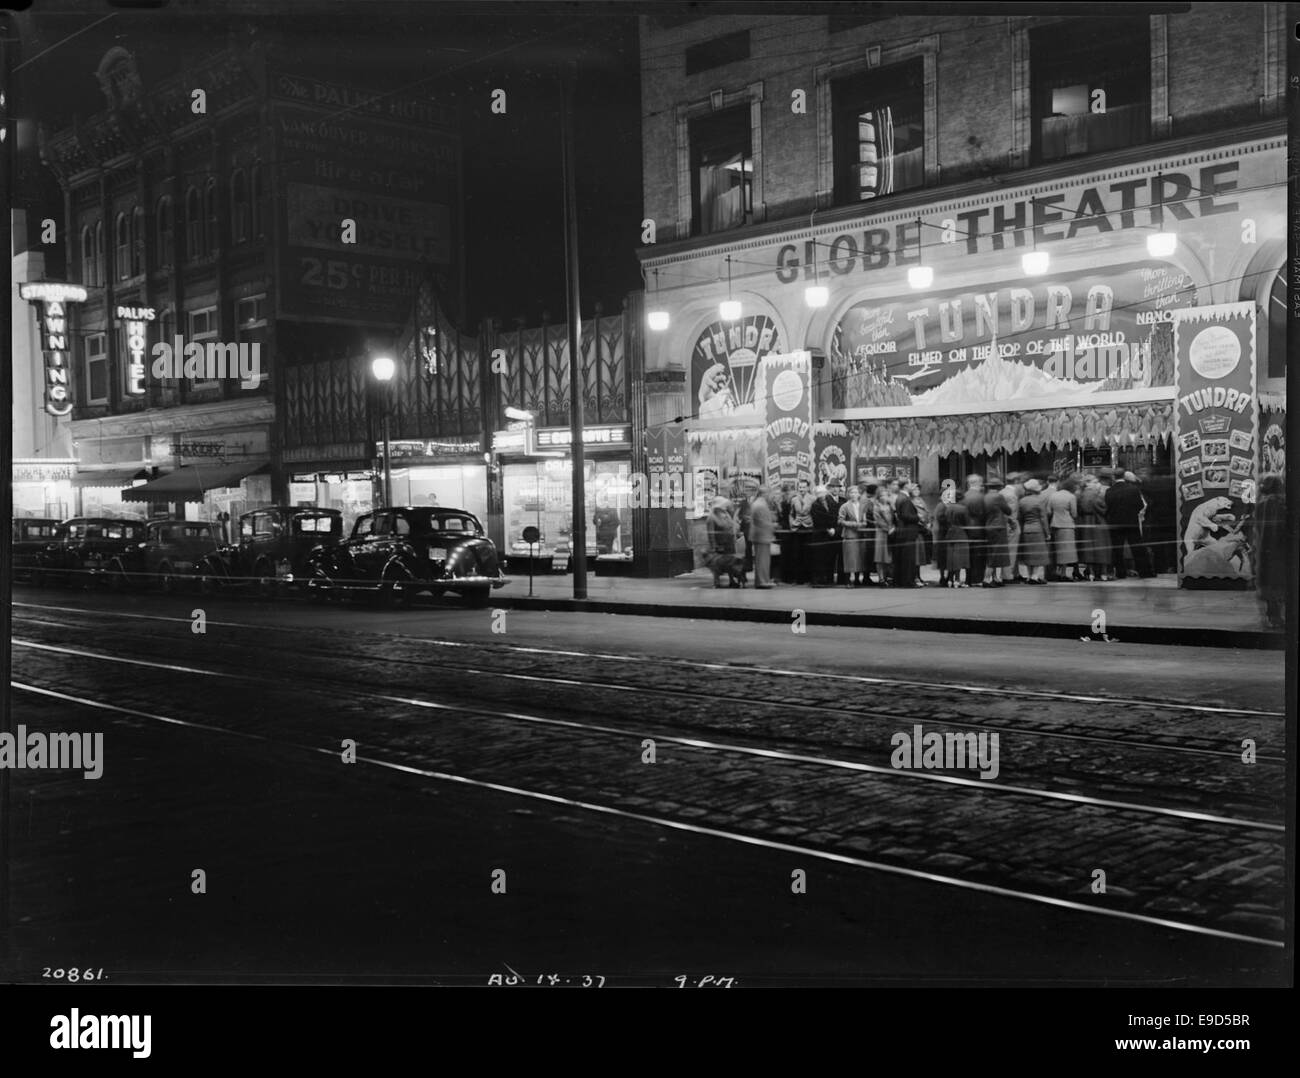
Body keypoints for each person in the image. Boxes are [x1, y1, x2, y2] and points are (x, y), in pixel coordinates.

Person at [1251, 473, 1286, 629]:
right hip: (1279, 549)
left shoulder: (1260, 505)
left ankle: (1272, 615)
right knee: (1278, 582)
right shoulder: (1282, 503)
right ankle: (1277, 616)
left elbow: (1257, 529)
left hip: (1264, 549)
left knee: (1268, 582)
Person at [1107, 471, 1153, 578]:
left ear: (1114, 477)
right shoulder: (1133, 490)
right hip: (1131, 522)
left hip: (1115, 523)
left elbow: (1108, 507)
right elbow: (1140, 505)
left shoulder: (1109, 491)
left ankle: (1120, 572)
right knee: (1137, 548)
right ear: (1124, 477)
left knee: (1117, 549)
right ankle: (1144, 572)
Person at [1017, 478, 1051, 584]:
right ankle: (1035, 576)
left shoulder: (1022, 501)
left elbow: (1019, 517)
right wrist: (1047, 533)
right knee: (1038, 554)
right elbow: (1043, 518)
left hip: (1026, 529)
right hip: (1038, 530)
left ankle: (1028, 575)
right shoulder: (1039, 501)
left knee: (1028, 553)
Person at [704, 497, 743, 588]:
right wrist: (713, 546)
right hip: (720, 545)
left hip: (729, 543)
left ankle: (732, 580)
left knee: (730, 563)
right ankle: (716, 582)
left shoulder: (725, 514)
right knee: (717, 564)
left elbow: (731, 525)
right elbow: (711, 534)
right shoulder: (711, 517)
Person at [1076, 474, 1109, 581]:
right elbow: (1103, 509)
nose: (1097, 484)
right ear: (1088, 483)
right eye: (1095, 482)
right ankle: (1103, 573)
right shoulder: (1097, 495)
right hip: (1098, 523)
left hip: (1086, 523)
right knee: (1102, 549)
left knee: (1088, 550)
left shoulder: (1080, 495)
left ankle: (1091, 573)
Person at [1047, 476, 1080, 581]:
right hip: (1067, 525)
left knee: (1058, 549)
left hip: (1055, 525)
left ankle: (1057, 571)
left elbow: (1048, 511)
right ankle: (1063, 573)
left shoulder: (1053, 495)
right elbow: (1074, 514)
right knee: (1067, 551)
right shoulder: (1071, 497)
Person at [837, 486, 870, 587]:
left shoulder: (862, 506)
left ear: (859, 494)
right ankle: (848, 581)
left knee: (859, 558)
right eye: (852, 493)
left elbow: (864, 520)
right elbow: (840, 521)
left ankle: (856, 580)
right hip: (849, 536)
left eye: (856, 493)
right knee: (849, 559)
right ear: (848, 494)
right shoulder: (845, 506)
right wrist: (854, 524)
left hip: (860, 536)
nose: (854, 495)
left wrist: (863, 524)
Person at [786, 478, 815, 584]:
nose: (802, 489)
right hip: (797, 528)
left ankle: (808, 578)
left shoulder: (813, 499)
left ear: (808, 488)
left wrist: (812, 523)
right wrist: (792, 523)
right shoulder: (794, 499)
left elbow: (814, 513)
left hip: (808, 528)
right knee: (796, 554)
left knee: (808, 554)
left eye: (804, 487)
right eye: (800, 487)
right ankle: (798, 579)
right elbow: (791, 513)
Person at [810, 484, 839, 586]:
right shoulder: (815, 505)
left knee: (830, 558)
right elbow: (818, 520)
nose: (821, 495)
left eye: (822, 492)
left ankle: (829, 579)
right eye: (818, 493)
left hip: (831, 535)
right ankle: (819, 580)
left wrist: (834, 529)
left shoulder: (832, 503)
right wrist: (827, 529)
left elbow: (835, 517)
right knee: (819, 559)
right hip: (820, 534)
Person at [892, 486, 921, 587]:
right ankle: (908, 581)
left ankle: (900, 581)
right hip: (908, 532)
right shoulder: (905, 499)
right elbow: (905, 515)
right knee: (908, 559)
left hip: (903, 532)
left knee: (902, 558)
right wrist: (917, 517)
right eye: (910, 484)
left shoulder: (900, 497)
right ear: (906, 486)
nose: (912, 486)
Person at [962, 474, 987, 587]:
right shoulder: (981, 497)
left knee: (969, 555)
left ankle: (969, 578)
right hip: (979, 529)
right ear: (978, 483)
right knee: (979, 555)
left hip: (967, 529)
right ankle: (978, 578)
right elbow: (983, 514)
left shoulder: (964, 496)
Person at [983, 492, 1012, 587]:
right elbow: (1008, 511)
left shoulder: (985, 496)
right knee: (996, 554)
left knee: (993, 552)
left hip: (988, 526)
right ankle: (987, 579)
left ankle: (995, 578)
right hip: (998, 527)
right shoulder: (998, 496)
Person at [749, 486, 775, 588]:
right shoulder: (760, 505)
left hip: (760, 535)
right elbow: (763, 522)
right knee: (762, 561)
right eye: (769, 493)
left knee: (761, 560)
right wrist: (773, 526)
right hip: (761, 536)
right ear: (764, 494)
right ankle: (762, 581)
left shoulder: (758, 503)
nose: (770, 496)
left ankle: (762, 580)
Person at [945, 492, 971, 587]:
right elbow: (967, 522)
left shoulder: (948, 508)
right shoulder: (963, 509)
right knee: (959, 558)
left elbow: (946, 521)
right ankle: (957, 579)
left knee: (951, 557)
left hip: (950, 533)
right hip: (961, 533)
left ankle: (950, 580)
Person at [999, 476, 1023, 583]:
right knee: (1011, 551)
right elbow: (1011, 513)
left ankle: (1014, 573)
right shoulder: (1012, 495)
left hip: (1003, 524)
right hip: (1010, 526)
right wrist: (1013, 525)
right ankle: (1008, 575)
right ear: (1016, 482)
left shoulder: (1002, 492)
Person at [908, 482, 932, 584]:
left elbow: (927, 513)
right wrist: (923, 522)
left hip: (924, 530)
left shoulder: (921, 500)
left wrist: (929, 523)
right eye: (914, 490)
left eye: (918, 490)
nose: (917, 492)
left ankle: (919, 575)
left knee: (921, 555)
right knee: (916, 556)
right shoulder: (910, 502)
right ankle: (915, 577)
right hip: (917, 529)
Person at [872, 485, 894, 586]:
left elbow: (895, 518)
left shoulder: (890, 506)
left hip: (891, 532)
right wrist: (888, 528)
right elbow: (878, 520)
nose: (884, 497)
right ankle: (881, 578)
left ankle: (887, 577)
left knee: (889, 556)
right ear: (878, 496)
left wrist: (892, 527)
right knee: (880, 557)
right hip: (881, 533)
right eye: (882, 495)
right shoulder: (876, 506)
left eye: (885, 495)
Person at [934, 482, 954, 587]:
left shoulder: (947, 505)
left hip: (946, 535)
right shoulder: (941, 506)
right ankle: (943, 576)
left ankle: (948, 576)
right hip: (943, 535)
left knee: (949, 558)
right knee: (943, 558)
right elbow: (940, 518)